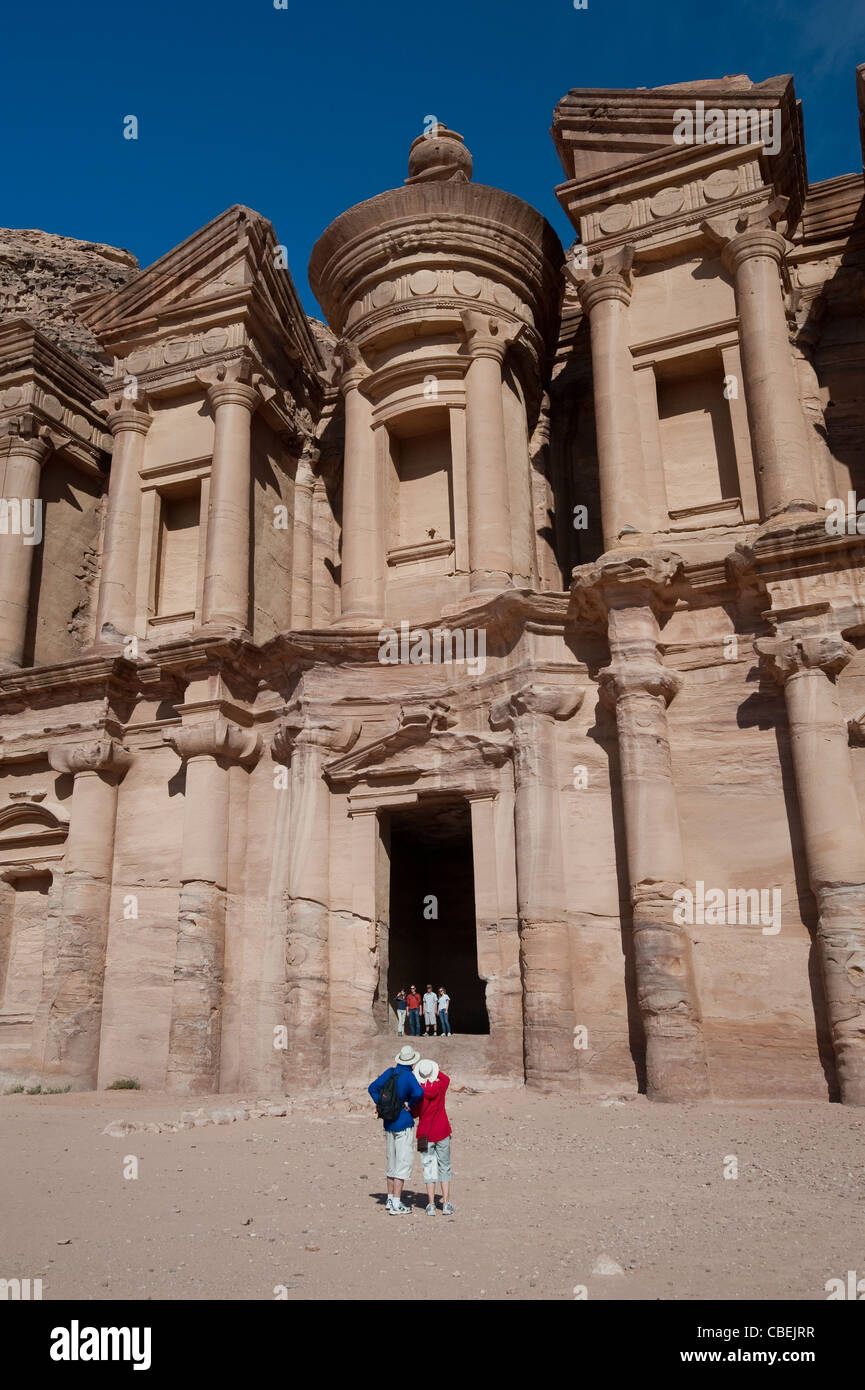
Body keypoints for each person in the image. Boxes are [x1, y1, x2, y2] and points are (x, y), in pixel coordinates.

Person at [368, 1044, 424, 1214]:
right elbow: (418, 1093)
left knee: (391, 1162)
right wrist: (408, 1105)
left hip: (389, 1123)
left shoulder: (389, 1072)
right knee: (403, 1163)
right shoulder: (408, 1076)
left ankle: (390, 1199)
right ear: (412, 1062)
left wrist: (383, 1104)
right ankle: (397, 1204)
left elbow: (372, 1088)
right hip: (403, 1122)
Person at [411, 1057, 454, 1215]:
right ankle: (446, 1203)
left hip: (425, 1134)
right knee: (445, 1167)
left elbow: (415, 1113)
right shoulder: (441, 1086)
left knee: (429, 1168)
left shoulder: (419, 1094)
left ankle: (430, 1205)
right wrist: (434, 1072)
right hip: (442, 1131)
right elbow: (445, 1078)